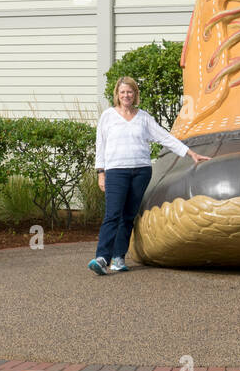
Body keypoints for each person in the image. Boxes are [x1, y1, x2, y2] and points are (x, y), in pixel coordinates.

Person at [88, 77, 210, 275]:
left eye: (130, 92)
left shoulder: (143, 117)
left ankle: (119, 258)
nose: (126, 95)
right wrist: (101, 173)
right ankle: (102, 258)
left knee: (128, 216)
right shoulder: (108, 116)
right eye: (122, 92)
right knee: (113, 214)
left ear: (135, 94)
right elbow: (100, 146)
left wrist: (190, 153)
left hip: (141, 171)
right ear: (117, 95)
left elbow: (165, 137)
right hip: (116, 171)